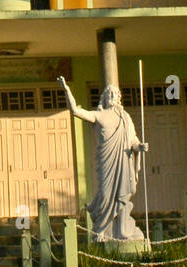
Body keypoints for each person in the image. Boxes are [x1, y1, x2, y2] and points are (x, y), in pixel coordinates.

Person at [57, 76, 148, 242]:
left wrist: (139, 146)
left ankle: (122, 231)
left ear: (119, 97)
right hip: (107, 164)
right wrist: (66, 90)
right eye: (109, 94)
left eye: (115, 94)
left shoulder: (125, 118)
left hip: (123, 163)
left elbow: (132, 139)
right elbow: (76, 111)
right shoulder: (99, 116)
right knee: (105, 196)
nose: (112, 96)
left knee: (123, 196)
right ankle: (101, 230)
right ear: (104, 98)